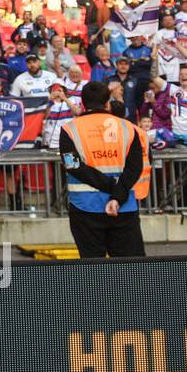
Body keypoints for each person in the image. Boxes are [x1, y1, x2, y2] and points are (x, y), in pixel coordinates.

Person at [59, 81, 145, 258]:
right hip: (123, 206)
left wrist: (109, 186)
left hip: (84, 206)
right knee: (131, 266)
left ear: (82, 103)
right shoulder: (128, 127)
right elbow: (135, 167)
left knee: (93, 266)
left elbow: (73, 165)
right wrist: (117, 193)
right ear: (108, 102)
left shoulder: (69, 129)